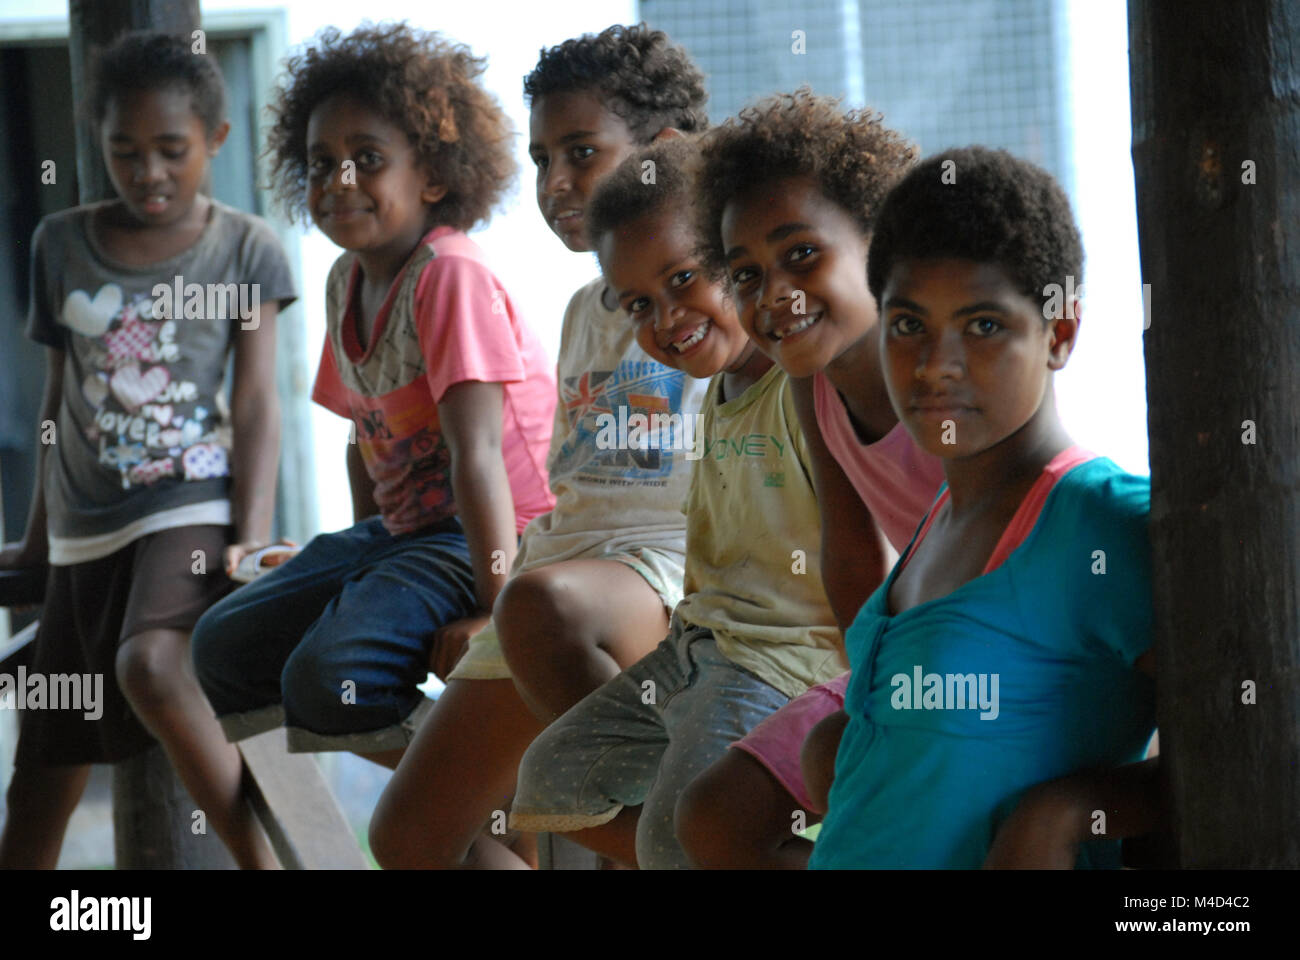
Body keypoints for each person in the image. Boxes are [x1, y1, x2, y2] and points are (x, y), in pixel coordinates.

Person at [189, 24, 555, 822]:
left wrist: (497, 612)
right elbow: (365, 438)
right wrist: (354, 565)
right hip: (409, 535)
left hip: (494, 532)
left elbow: (481, 457)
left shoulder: (449, 276)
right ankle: (462, 783)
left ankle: (488, 791)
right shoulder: (343, 280)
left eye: (369, 158)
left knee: (327, 675)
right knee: (223, 647)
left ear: (434, 176)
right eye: (322, 164)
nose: (339, 180)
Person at [368, 24, 711, 869]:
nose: (555, 182)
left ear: (661, 152)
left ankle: (697, 846)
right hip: (563, 571)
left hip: (670, 577)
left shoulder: (716, 291)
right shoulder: (584, 313)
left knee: (541, 609)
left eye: (580, 152)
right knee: (409, 835)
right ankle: (687, 846)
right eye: (541, 158)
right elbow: (577, 488)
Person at [807, 147, 1157, 869]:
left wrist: (1060, 814)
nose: (937, 364)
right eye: (908, 325)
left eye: (984, 326)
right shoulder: (943, 516)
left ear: (1059, 334)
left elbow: (1258, 748)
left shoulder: (1104, 525)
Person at [0, 31, 296, 869]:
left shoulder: (246, 248)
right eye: (124, 151)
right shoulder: (58, 244)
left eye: (172, 149)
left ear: (216, 141)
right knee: (41, 778)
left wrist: (253, 531)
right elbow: (59, 403)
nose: (150, 172)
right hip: (83, 532)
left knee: (154, 664)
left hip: (190, 508)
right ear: (98, 141)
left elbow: (256, 401)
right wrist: (32, 542)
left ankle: (260, 862)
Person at [508, 139, 842, 869]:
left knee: (673, 835)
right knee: (552, 784)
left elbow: (864, 543)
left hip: (783, 660)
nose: (667, 316)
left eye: (685, 278)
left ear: (734, 261)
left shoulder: (803, 388)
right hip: (700, 647)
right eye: (639, 304)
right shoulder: (717, 392)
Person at [671, 91, 946, 868]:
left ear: (881, 244)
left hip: (997, 653)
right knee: (715, 819)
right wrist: (875, 686)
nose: (774, 296)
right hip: (900, 652)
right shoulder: (810, 383)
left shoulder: (937, 373)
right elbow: (852, 552)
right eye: (746, 275)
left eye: (801, 255)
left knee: (890, 803)